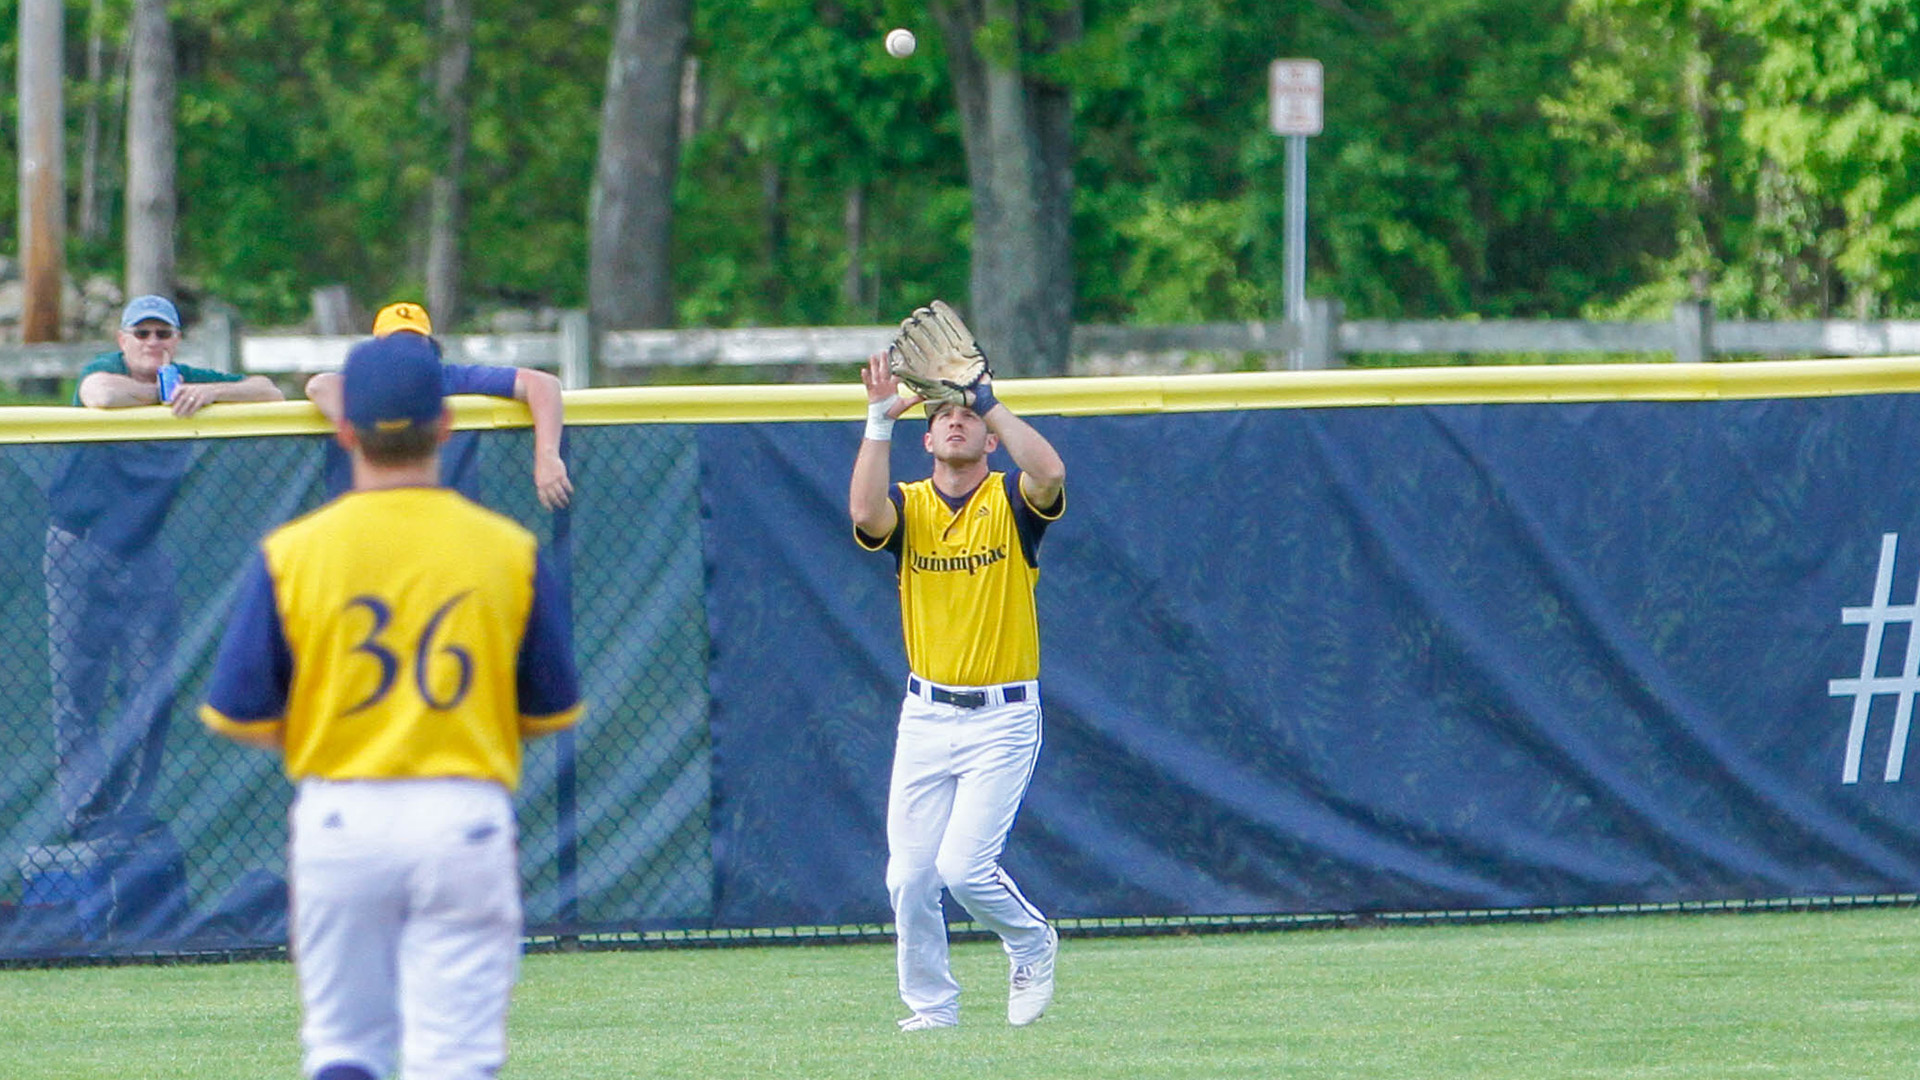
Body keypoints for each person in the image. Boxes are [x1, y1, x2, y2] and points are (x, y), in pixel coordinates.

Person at [199, 332, 583, 1080]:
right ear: (444, 425)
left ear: (346, 431)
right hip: (464, 816)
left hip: (342, 813)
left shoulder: (294, 550)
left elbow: (240, 713)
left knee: (346, 1049)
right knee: (457, 1056)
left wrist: (343, 729)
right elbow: (547, 709)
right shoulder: (508, 549)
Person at [848, 352, 1067, 1030]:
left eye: (968, 417)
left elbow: (1051, 473)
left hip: (1002, 716)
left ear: (989, 438)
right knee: (908, 877)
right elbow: (864, 512)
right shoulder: (909, 506)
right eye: (944, 416)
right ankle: (933, 1009)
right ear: (927, 437)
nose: (956, 423)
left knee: (966, 870)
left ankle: (1031, 940)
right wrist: (876, 423)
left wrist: (987, 396)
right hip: (927, 714)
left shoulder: (1008, 499)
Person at [45, 294, 283, 841]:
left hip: (144, 549)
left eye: (163, 334)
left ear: (176, 341)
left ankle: (134, 812)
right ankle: (83, 816)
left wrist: (208, 392)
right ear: (123, 340)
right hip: (77, 548)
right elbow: (99, 397)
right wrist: (166, 395)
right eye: (142, 334)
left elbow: (269, 391)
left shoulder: (186, 376)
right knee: (77, 684)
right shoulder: (107, 371)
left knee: (151, 683)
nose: (153, 343)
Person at [304, 302, 573, 510]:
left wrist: (547, 455)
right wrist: (364, 429)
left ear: (429, 345)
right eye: (396, 341)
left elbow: (543, 383)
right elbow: (319, 385)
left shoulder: (447, 376)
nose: (406, 350)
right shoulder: (368, 384)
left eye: (414, 340)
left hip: (446, 500)